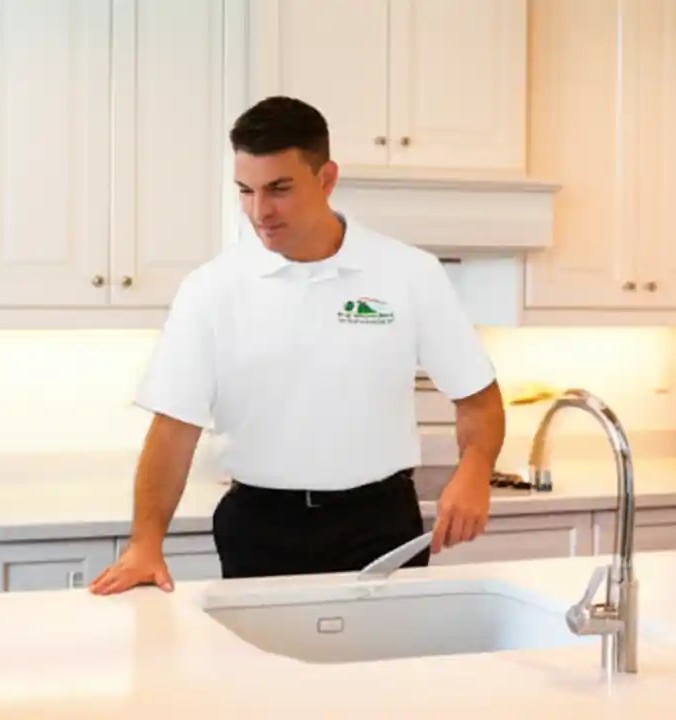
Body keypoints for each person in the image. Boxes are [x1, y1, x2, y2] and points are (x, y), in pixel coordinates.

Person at [90, 96, 505, 595]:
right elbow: (174, 428)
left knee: (385, 674)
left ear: (326, 178)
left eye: (279, 189)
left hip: (380, 526)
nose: (259, 211)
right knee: (260, 675)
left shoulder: (410, 274)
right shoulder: (211, 289)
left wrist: (476, 470)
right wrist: (145, 544)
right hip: (260, 528)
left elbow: (477, 397)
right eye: (245, 191)